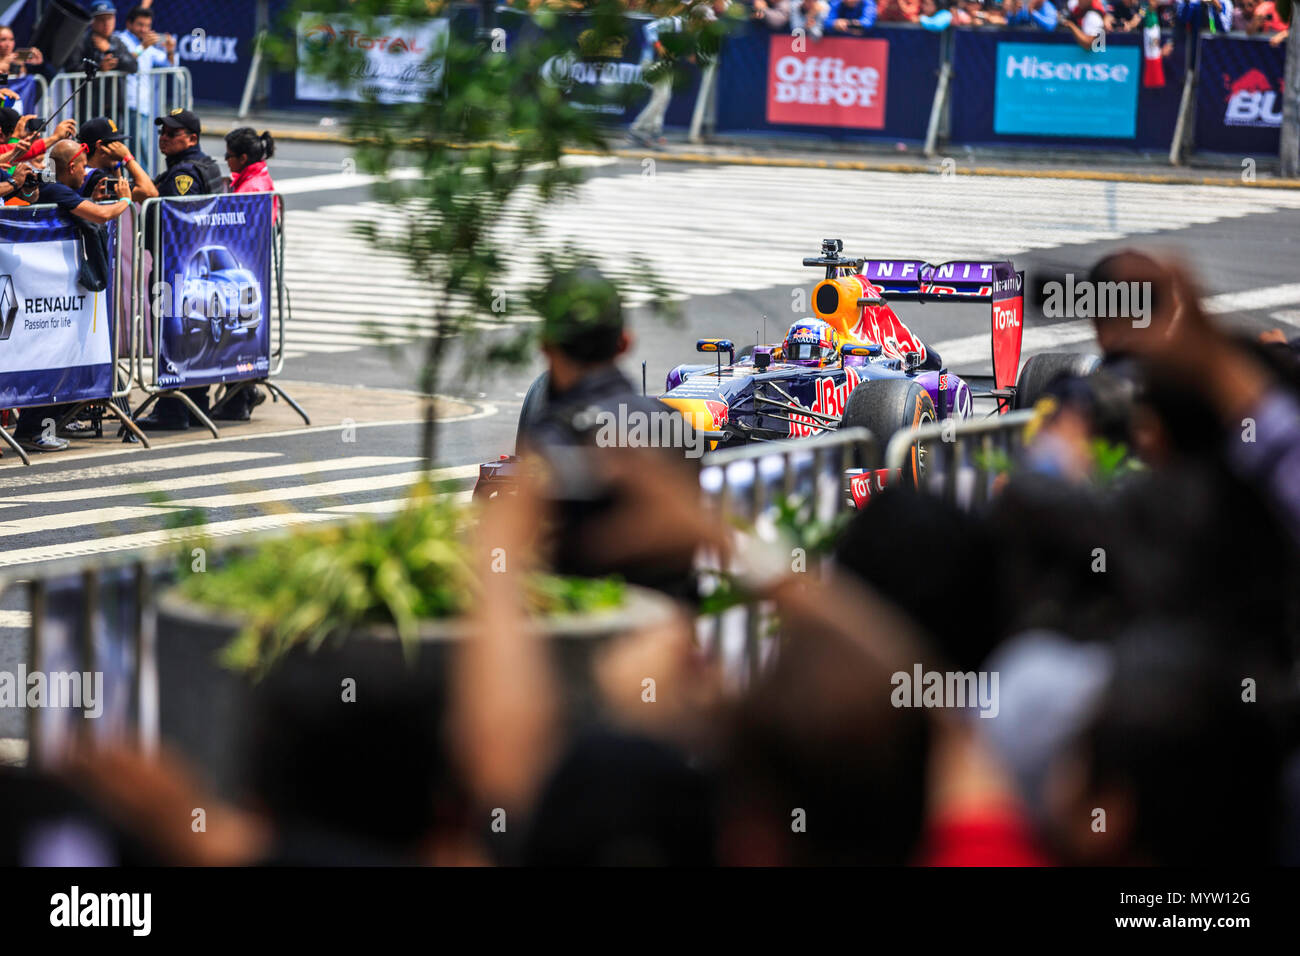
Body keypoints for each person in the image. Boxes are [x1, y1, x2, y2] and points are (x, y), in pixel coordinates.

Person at [11, 140, 131, 452]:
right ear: (73, 167)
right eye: (83, 166)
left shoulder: (54, 186)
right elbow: (98, 216)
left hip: (55, 293)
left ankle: (33, 429)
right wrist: (125, 202)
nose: (86, 172)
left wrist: (89, 199)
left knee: (56, 357)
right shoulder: (58, 190)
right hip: (49, 294)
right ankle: (34, 431)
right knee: (52, 358)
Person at [137, 108, 224, 431]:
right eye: (162, 133)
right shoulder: (208, 165)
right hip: (196, 268)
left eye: (172, 134)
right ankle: (197, 404)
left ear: (192, 138)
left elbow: (174, 217)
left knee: (171, 335)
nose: (164, 139)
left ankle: (172, 410)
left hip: (175, 269)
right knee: (194, 334)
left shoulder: (183, 174)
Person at [214, 127, 279, 421]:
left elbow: (235, 230)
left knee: (235, 332)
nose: (226, 160)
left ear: (242, 157)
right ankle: (242, 393)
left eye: (229, 156)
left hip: (240, 269)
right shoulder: (254, 179)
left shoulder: (252, 187)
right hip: (246, 270)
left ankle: (239, 399)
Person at [117, 5, 177, 173]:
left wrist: (170, 51)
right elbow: (124, 61)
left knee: (141, 147)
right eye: (140, 25)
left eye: (147, 26)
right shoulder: (120, 39)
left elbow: (168, 65)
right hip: (125, 102)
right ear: (129, 24)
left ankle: (143, 185)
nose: (144, 29)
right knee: (128, 149)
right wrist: (142, 47)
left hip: (143, 105)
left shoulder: (148, 45)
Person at [78, 116, 158, 204]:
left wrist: (116, 166)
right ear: (100, 146)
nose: (120, 147)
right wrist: (127, 158)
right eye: (115, 143)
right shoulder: (98, 179)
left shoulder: (84, 171)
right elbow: (149, 193)